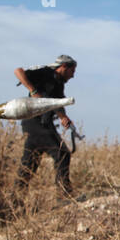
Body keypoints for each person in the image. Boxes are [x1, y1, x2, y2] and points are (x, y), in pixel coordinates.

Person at [13, 54, 76, 197]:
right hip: (34, 121)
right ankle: (64, 195)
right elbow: (18, 71)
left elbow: (57, 104)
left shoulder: (59, 84)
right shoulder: (45, 72)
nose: (73, 76)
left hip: (44, 123)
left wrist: (63, 117)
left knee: (30, 163)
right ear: (64, 66)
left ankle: (16, 197)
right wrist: (33, 91)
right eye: (72, 71)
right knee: (62, 153)